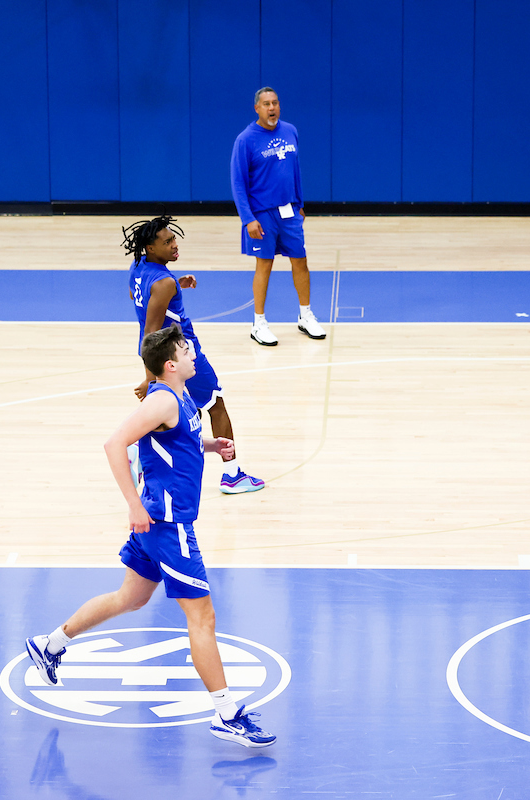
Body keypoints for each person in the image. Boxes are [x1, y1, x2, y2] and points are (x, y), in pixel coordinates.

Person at [25, 324, 277, 748]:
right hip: (168, 524)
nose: (192, 349)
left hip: (159, 522)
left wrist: (212, 446)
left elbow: (179, 442)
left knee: (131, 598)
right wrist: (133, 504)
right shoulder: (161, 400)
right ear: (170, 364)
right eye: (184, 347)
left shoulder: (181, 398)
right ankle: (226, 713)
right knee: (203, 617)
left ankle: (50, 644)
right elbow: (113, 444)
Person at [123, 215, 264, 495]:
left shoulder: (139, 266)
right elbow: (150, 334)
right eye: (167, 242)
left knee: (183, 411)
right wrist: (151, 380)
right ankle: (232, 475)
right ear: (151, 248)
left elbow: (135, 296)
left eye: (174, 238)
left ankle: (147, 455)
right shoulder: (163, 283)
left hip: (168, 356)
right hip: (182, 354)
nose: (175, 245)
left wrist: (175, 286)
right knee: (215, 404)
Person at [231, 86, 326, 347]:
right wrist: (248, 218)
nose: (271, 108)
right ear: (257, 108)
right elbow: (238, 183)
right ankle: (259, 322)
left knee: (301, 261)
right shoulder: (246, 140)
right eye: (266, 104)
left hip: (290, 210)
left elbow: (295, 171)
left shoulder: (291, 131)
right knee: (265, 264)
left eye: (275, 103)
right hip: (262, 214)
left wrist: (300, 203)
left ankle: (305, 315)